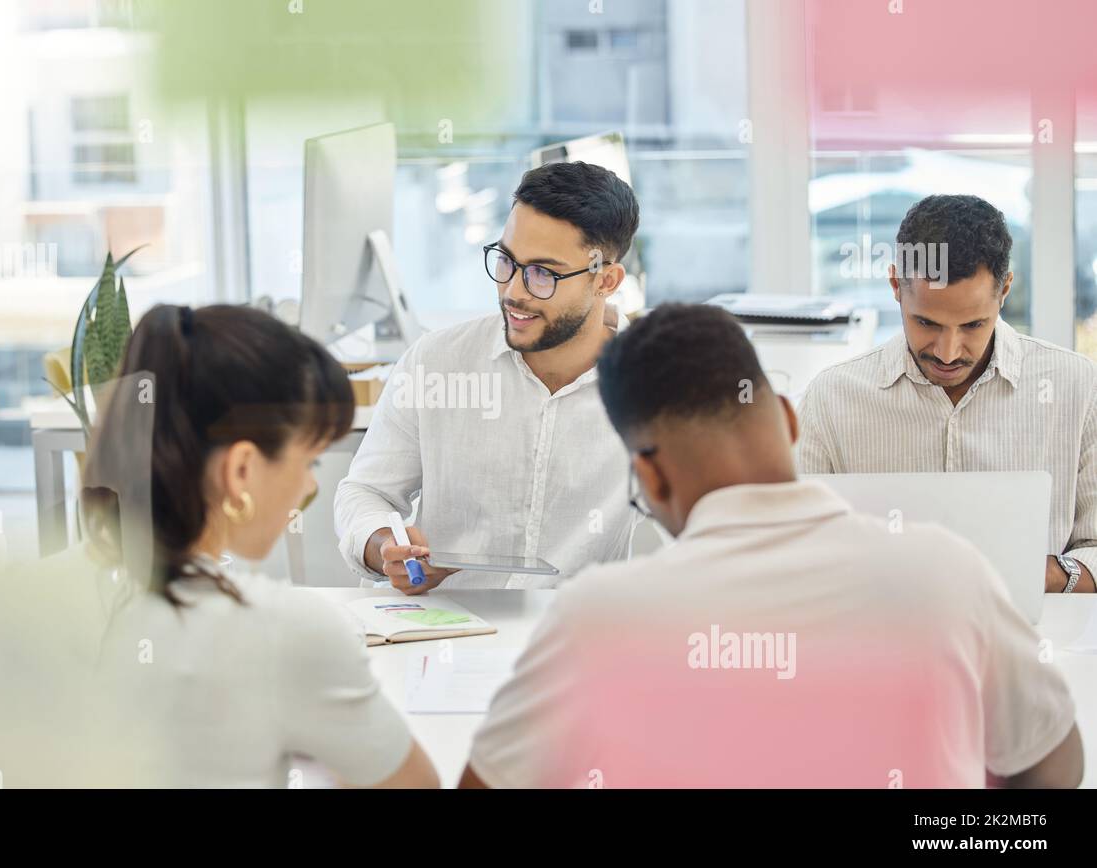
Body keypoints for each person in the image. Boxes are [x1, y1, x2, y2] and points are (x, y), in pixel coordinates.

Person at [460, 303, 1082, 788]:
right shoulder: (950, 575)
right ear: (788, 420)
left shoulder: (594, 619)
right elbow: (1057, 767)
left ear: (649, 478)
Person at [90, 304, 438, 788]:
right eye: (309, 462)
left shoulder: (63, 592)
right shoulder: (282, 627)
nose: (305, 489)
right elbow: (415, 785)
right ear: (242, 471)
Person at [334, 161, 642, 592]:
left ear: (605, 281)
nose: (514, 291)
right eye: (507, 261)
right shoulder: (437, 362)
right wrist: (385, 545)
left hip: (572, 637)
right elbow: (365, 491)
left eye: (543, 274)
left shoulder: (653, 386)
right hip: (442, 633)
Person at [797, 194, 1097, 593]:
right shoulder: (831, 399)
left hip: (1036, 647)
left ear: (1004, 290)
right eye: (926, 322)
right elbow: (796, 549)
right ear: (895, 287)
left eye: (973, 325)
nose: (947, 352)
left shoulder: (1076, 385)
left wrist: (1044, 574)